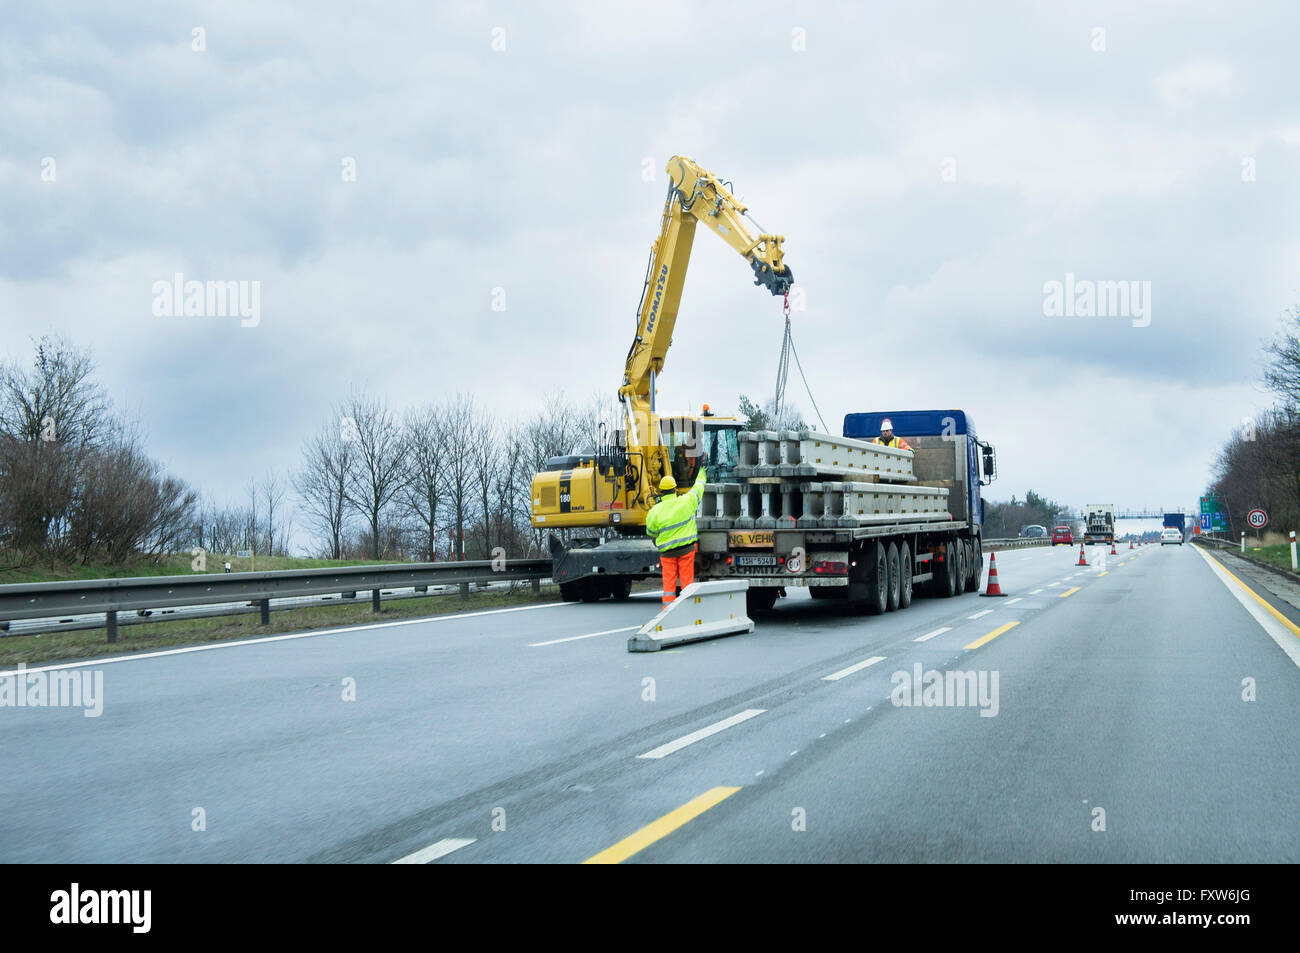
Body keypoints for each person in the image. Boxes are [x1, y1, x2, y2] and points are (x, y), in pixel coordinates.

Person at [645, 465, 707, 607]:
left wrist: (658, 541)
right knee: (686, 583)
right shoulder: (686, 501)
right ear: (675, 489)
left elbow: (651, 532)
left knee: (669, 586)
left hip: (667, 553)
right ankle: (688, 609)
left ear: (661, 491)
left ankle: (668, 612)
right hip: (686, 550)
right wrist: (702, 473)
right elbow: (698, 488)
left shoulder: (655, 511)